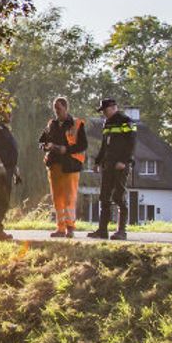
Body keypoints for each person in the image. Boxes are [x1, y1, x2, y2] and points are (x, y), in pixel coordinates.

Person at [87, 98, 137, 240]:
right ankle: (102, 230)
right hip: (108, 165)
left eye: (105, 110)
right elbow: (105, 144)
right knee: (104, 197)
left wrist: (124, 161)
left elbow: (131, 143)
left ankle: (122, 231)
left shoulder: (126, 121)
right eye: (102, 111)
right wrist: (97, 162)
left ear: (114, 107)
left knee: (118, 197)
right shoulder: (107, 123)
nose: (103, 113)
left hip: (120, 165)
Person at [38, 96, 87, 238]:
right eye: (55, 108)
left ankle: (70, 228)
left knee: (69, 197)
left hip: (70, 166)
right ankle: (60, 228)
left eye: (58, 108)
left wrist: (66, 150)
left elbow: (83, 145)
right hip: (54, 165)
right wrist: (45, 146)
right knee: (57, 198)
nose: (56, 111)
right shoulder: (51, 124)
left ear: (66, 108)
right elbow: (41, 141)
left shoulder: (76, 124)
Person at [0, 111, 20, 241]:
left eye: (11, 113)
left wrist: (15, 169)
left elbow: (11, 151)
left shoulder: (6, 130)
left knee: (4, 200)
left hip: (9, 169)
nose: (10, 116)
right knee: (0, 198)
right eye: (7, 113)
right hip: (0, 169)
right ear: (0, 114)